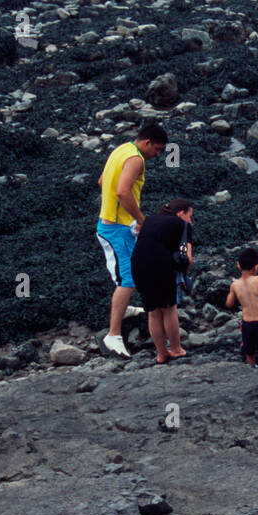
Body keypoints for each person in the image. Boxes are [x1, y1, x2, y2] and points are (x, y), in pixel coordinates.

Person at [95, 122, 167, 358]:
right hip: (117, 228)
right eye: (157, 149)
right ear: (147, 142)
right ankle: (113, 335)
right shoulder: (136, 159)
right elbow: (122, 191)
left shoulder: (121, 149)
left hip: (113, 222)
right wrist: (140, 219)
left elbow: (102, 180)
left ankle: (124, 311)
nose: (158, 155)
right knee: (127, 279)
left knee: (131, 274)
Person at [130, 198, 193, 365]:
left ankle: (161, 354)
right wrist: (185, 274)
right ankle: (177, 349)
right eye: (190, 216)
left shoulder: (149, 219)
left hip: (137, 264)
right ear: (181, 213)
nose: (190, 220)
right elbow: (186, 255)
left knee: (153, 311)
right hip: (160, 265)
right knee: (168, 308)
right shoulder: (182, 225)